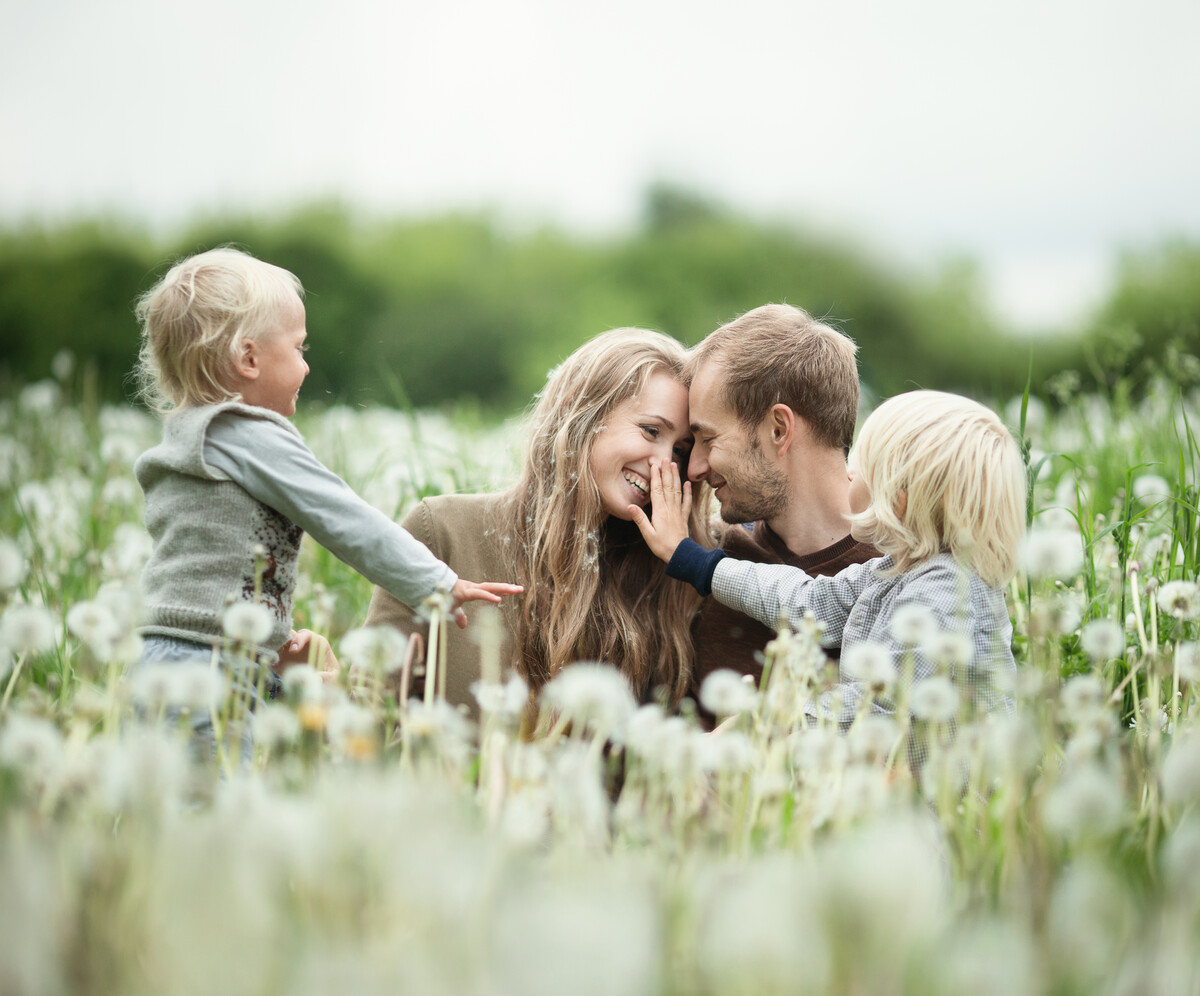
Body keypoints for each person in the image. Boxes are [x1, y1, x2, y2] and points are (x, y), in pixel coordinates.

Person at [131, 247, 520, 733]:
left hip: (165, 654)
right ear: (248, 358)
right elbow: (341, 516)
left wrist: (270, 636)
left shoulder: (189, 439)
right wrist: (436, 583)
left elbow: (206, 563)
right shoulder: (248, 434)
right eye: (299, 348)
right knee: (211, 799)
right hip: (211, 664)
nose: (307, 367)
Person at [364, 327, 712, 715]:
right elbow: (369, 716)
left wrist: (686, 559)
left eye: (681, 450)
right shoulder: (441, 531)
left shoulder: (675, 573)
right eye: (651, 431)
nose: (666, 464)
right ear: (579, 413)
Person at [632, 390, 1026, 729]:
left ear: (899, 499)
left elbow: (878, 710)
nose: (849, 476)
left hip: (961, 809)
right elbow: (805, 602)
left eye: (860, 467)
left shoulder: (946, 595)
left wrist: (764, 725)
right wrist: (695, 561)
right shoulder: (891, 573)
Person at [683, 304, 878, 713]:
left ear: (779, 429)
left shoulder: (905, 573)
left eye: (708, 439)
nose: (695, 468)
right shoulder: (704, 555)